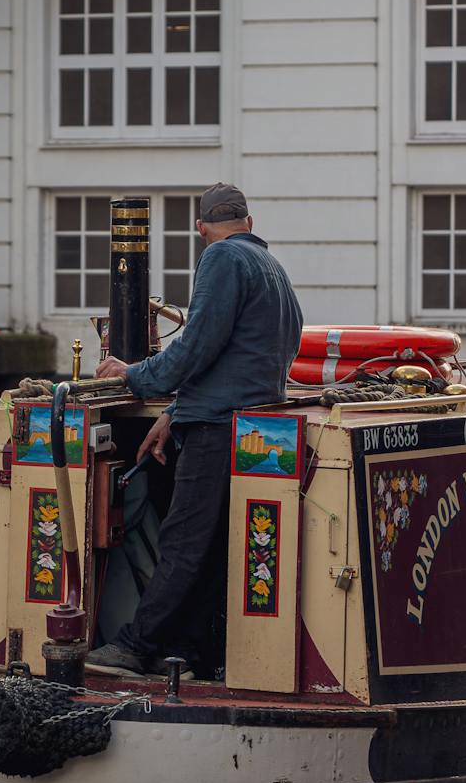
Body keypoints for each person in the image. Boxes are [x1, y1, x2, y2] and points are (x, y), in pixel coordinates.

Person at [86, 183, 303, 678]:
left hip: (215, 428)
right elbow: (248, 357)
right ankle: (185, 653)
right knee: (209, 548)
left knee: (183, 543)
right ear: (251, 221)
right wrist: (173, 412)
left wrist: (135, 375)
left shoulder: (221, 259)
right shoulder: (274, 269)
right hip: (253, 429)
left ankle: (133, 647)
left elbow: (198, 345)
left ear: (201, 229)